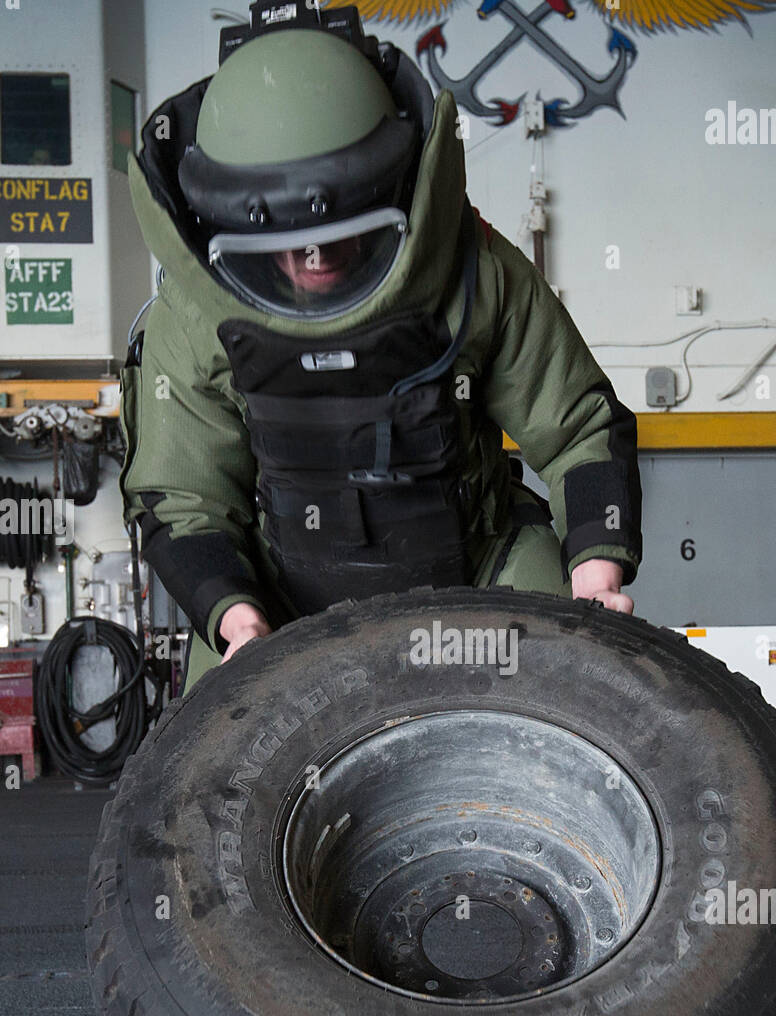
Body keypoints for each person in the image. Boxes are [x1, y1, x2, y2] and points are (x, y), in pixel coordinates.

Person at [119, 10, 641, 690]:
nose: (315, 259)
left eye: (339, 232)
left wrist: (595, 575)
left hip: (484, 572)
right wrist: (236, 620)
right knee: (208, 742)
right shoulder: (192, 314)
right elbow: (184, 496)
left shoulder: (476, 271)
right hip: (277, 605)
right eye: (285, 243)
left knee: (589, 686)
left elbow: (578, 430)